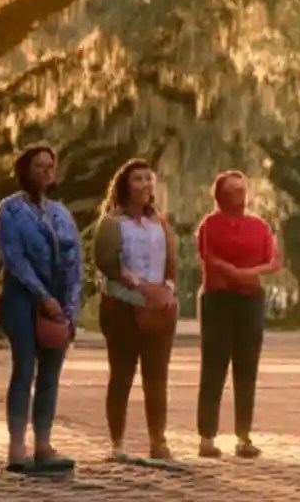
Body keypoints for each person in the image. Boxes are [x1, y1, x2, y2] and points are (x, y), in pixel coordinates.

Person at [0, 144, 84, 473]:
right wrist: (41, 295)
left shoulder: (61, 212)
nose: (46, 172)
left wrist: (69, 307)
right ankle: (17, 445)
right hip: (23, 298)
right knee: (24, 368)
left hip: (58, 304)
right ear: (24, 171)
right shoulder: (10, 210)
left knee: (51, 372)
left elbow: (75, 264)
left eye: (50, 166)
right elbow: (13, 257)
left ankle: (43, 442)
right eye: (38, 166)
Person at [93, 158, 179, 461]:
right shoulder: (113, 223)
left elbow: (171, 263)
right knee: (122, 374)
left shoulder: (160, 224)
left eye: (148, 179)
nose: (145, 184)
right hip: (122, 307)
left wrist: (167, 289)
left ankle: (159, 440)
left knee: (157, 377)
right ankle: (117, 443)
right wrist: (137, 286)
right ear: (125, 185)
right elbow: (106, 262)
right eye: (138, 179)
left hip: (158, 308)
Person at [195, 170, 280, 459]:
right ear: (220, 195)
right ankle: (207, 437)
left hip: (250, 300)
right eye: (232, 191)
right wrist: (231, 272)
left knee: (247, 368)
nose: (239, 196)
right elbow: (208, 256)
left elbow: (273, 261)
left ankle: (244, 437)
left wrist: (248, 273)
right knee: (214, 366)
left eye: (242, 190)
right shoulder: (210, 224)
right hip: (218, 299)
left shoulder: (259, 225)